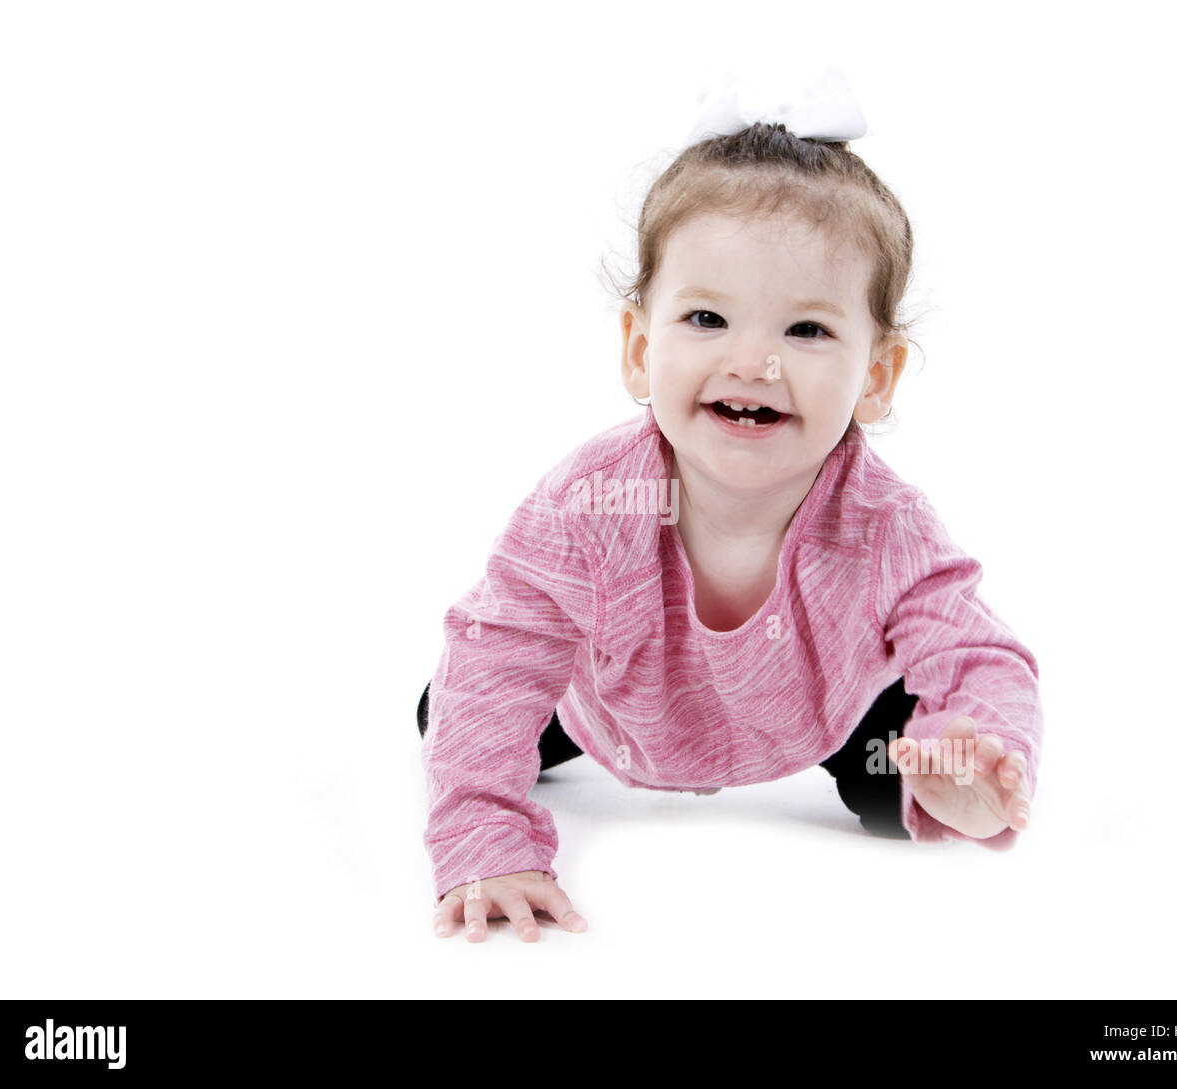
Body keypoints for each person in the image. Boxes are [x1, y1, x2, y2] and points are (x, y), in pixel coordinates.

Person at [418, 67, 1043, 942]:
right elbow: (501, 650)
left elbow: (973, 644)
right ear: (640, 347)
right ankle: (481, 747)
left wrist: (978, 744)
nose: (754, 361)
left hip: (820, 711)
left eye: (807, 329)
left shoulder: (882, 524)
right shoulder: (590, 502)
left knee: (898, 769)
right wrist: (486, 839)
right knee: (468, 706)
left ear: (876, 374)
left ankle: (943, 783)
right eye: (708, 319)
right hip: (610, 705)